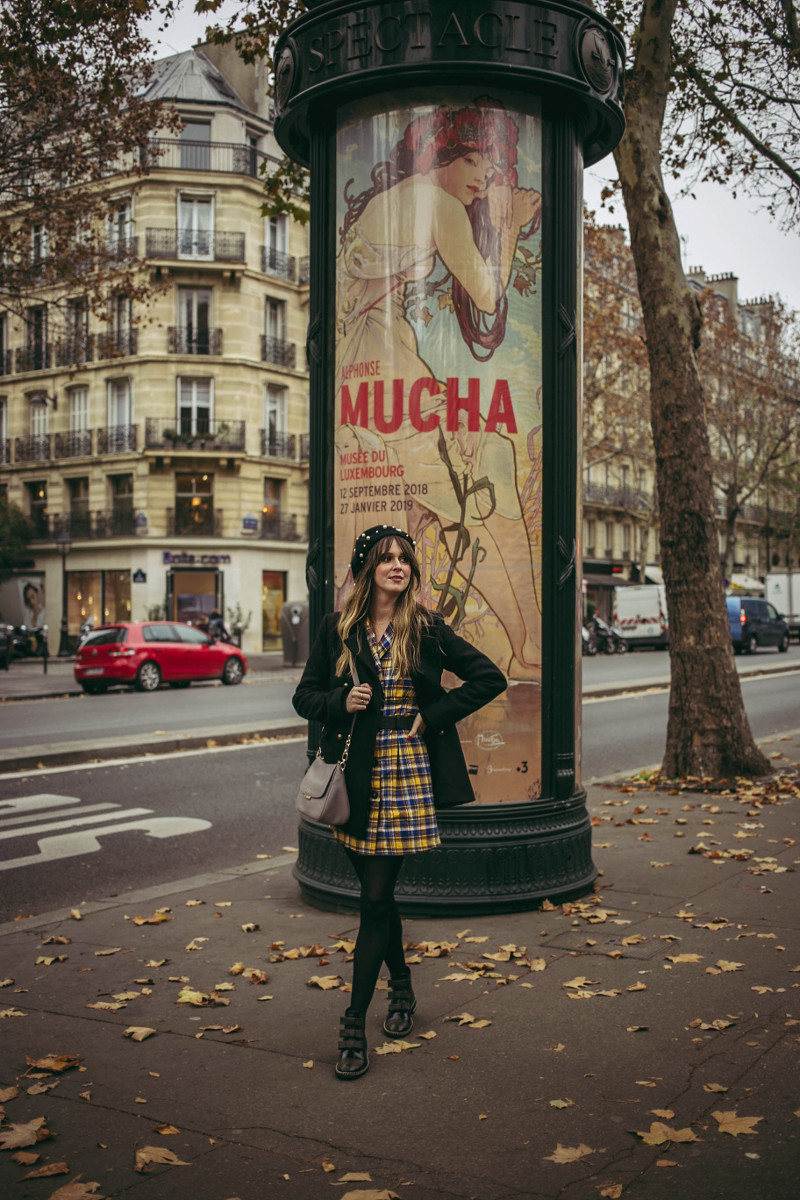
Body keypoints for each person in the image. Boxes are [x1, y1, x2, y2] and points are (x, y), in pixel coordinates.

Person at [335, 97, 542, 676]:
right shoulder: (438, 202)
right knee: (491, 469)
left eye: (495, 173)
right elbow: (487, 295)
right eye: (480, 163)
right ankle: (528, 647)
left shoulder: (394, 200)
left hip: (367, 377)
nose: (485, 181)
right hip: (386, 369)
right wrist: (511, 226)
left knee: (471, 489)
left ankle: (517, 645)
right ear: (446, 153)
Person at [292, 524, 507, 1080]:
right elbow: (304, 697)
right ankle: (405, 988)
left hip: (407, 774)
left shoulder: (426, 628)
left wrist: (432, 715)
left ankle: (352, 1025)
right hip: (356, 781)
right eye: (386, 559)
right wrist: (343, 700)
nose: (397, 566)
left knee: (373, 899)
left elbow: (490, 677)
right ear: (367, 570)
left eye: (404, 559)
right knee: (378, 902)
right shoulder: (338, 629)